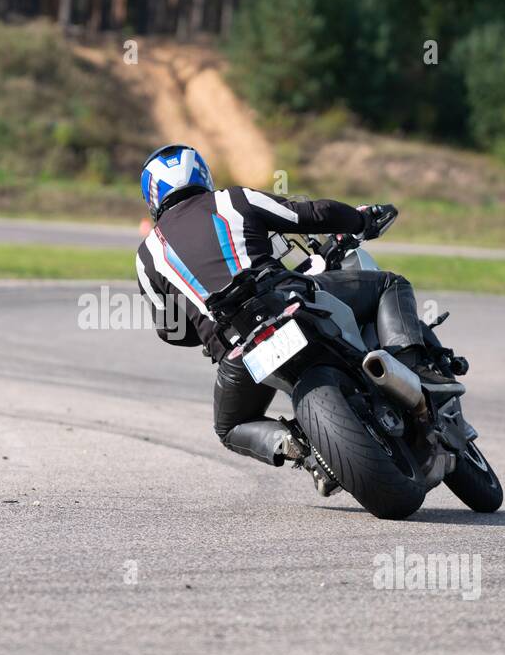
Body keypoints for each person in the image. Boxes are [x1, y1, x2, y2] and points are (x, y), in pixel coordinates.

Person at [133, 143, 452, 496]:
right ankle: (410, 367)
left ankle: (302, 449)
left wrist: (207, 330)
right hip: (290, 304)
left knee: (231, 427)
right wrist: (362, 220)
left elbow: (171, 330)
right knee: (391, 283)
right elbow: (309, 214)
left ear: (152, 194)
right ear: (202, 174)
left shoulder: (147, 254)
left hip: (237, 351)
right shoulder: (231, 200)